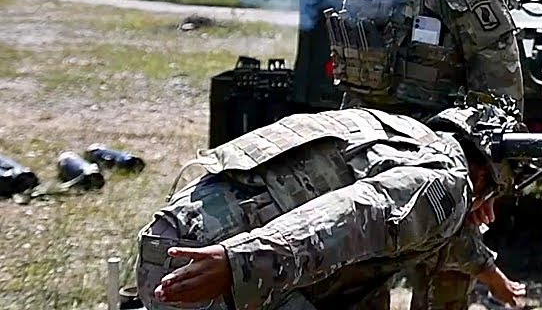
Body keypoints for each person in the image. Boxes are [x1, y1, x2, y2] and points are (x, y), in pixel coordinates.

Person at [134, 100, 521, 310]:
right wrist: (240, 262)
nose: (485, 210)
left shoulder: (399, 134)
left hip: (174, 239)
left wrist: (495, 279)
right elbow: (354, 215)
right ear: (483, 176)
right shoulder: (449, 179)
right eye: (490, 196)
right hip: (213, 270)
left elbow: (429, 232)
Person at [325, 0, 526, 310]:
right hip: (367, 163)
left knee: (442, 292)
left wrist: (486, 179)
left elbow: (500, 99)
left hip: (438, 171)